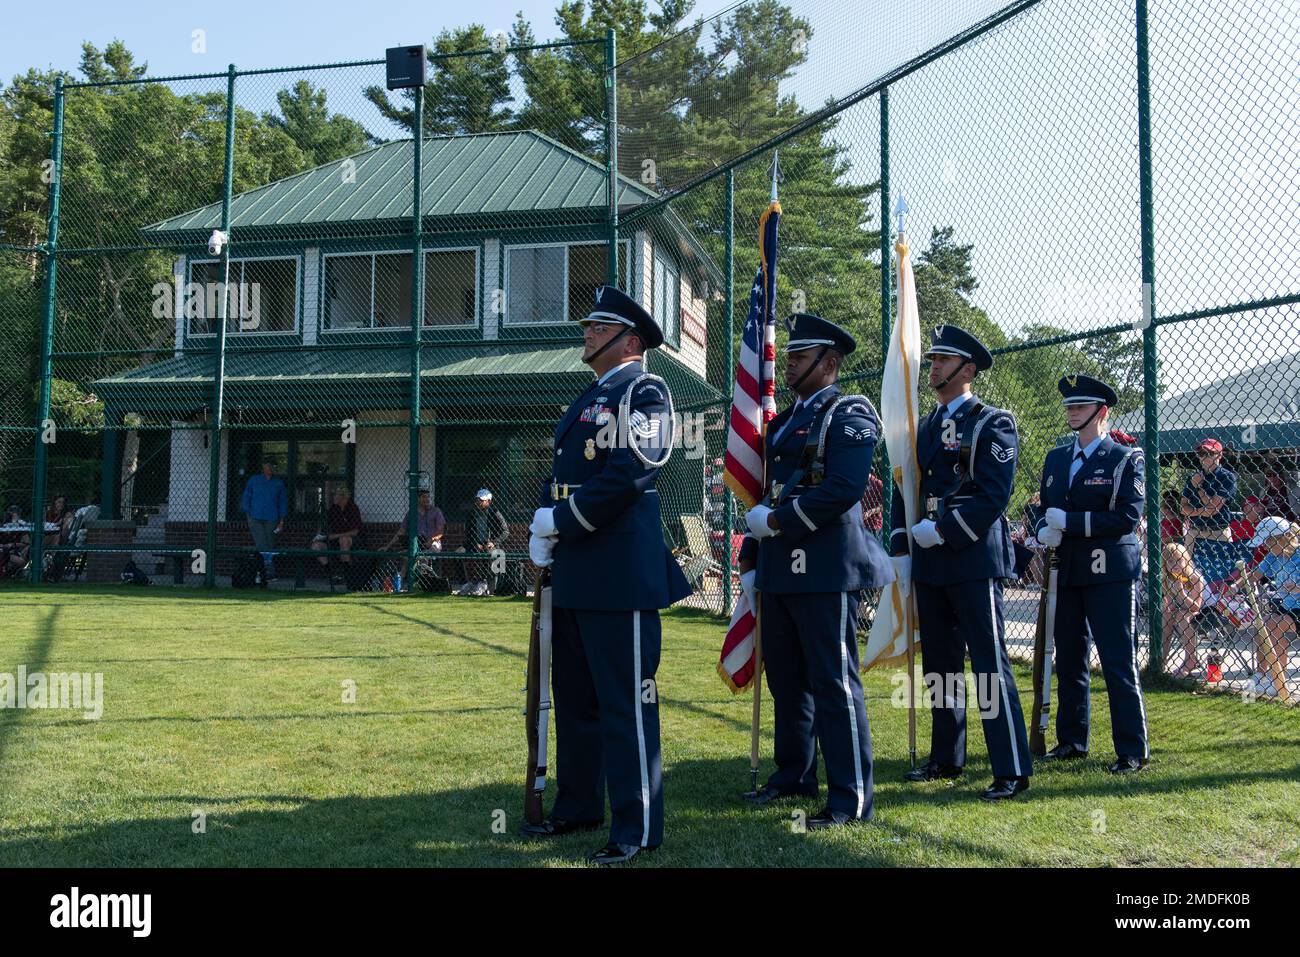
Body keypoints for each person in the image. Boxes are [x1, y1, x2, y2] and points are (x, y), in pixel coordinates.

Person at [523, 284, 691, 865]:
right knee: (575, 698)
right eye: (589, 325)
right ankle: (579, 805)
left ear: (630, 341)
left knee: (626, 701)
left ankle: (637, 825)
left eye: (599, 327)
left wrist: (562, 519)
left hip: (620, 571)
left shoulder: (646, 390)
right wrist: (542, 528)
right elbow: (563, 474)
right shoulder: (589, 397)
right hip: (578, 568)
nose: (587, 333)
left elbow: (634, 470)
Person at [737, 313, 892, 828]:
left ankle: (851, 798)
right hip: (781, 569)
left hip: (825, 570)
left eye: (800, 358)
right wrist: (751, 559)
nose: (789, 367)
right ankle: (794, 774)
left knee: (833, 682)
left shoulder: (850, 412)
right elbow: (767, 490)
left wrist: (777, 522)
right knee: (786, 678)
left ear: (829, 363)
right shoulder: (783, 422)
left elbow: (843, 489)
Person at [890, 324, 1033, 801]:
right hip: (930, 560)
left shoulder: (994, 422)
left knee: (989, 667)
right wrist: (903, 545)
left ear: (968, 370)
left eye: (943, 361)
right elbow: (904, 486)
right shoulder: (923, 425)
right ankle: (946, 757)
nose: (933, 367)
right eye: (932, 360)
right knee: (942, 666)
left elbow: (992, 494)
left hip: (971, 557)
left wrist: (945, 530)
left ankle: (1009, 767)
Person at [1034, 374, 1151, 773]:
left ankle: (1132, 749)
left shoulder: (1124, 458)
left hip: (1109, 571)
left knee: (1118, 660)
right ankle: (1071, 739)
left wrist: (1070, 521)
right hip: (1067, 570)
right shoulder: (1056, 458)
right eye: (1069, 405)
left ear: (1101, 412)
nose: (1072, 411)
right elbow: (1044, 506)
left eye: (1080, 406)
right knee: (1069, 658)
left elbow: (1126, 517)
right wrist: (1041, 528)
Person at [1247, 517, 1299, 697]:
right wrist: (1236, 586)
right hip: (1287, 606)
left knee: (1275, 627)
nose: (1265, 548)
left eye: (1268, 543)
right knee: (1264, 626)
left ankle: (1278, 680)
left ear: (1281, 539)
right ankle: (1261, 676)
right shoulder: (1273, 556)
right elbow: (1256, 574)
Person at [1180, 438, 1237, 584]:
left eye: (1209, 453)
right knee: (1187, 573)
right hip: (1194, 531)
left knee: (1221, 576)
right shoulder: (1194, 477)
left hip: (1217, 531)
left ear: (1219, 455)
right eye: (1201, 453)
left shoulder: (1226, 477)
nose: (1203, 456)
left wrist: (1199, 488)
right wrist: (1203, 510)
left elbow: (1213, 509)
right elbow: (1183, 508)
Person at [381, 487, 446, 581]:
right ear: (418, 499)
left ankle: (419, 581)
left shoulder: (436, 511)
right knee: (406, 555)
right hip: (417, 544)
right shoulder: (411, 513)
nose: (427, 499)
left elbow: (441, 532)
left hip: (433, 543)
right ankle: (400, 581)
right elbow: (401, 531)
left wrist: (431, 540)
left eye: (428, 497)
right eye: (424, 497)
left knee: (421, 556)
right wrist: (387, 546)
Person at [1162, 541, 1205, 678]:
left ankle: (1191, 659)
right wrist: (1168, 605)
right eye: (1170, 562)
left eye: (1178, 561)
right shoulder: (1168, 579)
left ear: (1186, 560)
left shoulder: (1194, 578)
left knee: (1183, 616)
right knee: (1166, 616)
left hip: (1205, 610)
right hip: (1182, 609)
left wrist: (1181, 593)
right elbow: (1170, 602)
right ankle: (1161, 660)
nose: (1174, 565)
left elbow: (1196, 606)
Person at [240, 460, 287, 581]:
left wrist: (281, 521)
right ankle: (268, 572)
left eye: (272, 465)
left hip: (272, 518)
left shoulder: (278, 483)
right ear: (263, 466)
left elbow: (282, 503)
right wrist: (248, 515)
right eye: (268, 465)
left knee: (270, 545)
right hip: (255, 518)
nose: (270, 468)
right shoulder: (254, 480)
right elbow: (246, 497)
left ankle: (263, 572)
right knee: (262, 545)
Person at [458, 489, 508, 596]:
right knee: (459, 553)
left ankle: (488, 585)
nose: (478, 502)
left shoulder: (495, 513)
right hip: (474, 543)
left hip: (490, 544)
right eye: (477, 500)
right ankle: (468, 583)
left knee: (494, 554)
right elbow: (468, 532)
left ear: (488, 501)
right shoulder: (472, 514)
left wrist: (493, 542)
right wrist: (475, 543)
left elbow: (505, 531)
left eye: (481, 500)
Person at [311, 486, 363, 584]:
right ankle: (331, 574)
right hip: (334, 540)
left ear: (343, 497)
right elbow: (326, 527)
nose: (334, 497)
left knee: (343, 540)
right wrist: (320, 535)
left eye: (336, 495)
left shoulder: (353, 508)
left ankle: (346, 575)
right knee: (316, 546)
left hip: (352, 540)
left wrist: (336, 536)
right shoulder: (333, 509)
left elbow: (355, 531)